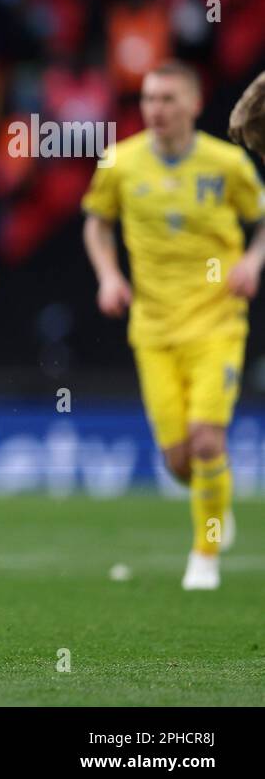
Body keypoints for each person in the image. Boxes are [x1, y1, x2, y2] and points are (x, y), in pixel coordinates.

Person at [82, 60, 265, 590]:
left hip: (217, 323)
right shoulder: (121, 163)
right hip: (154, 328)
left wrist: (252, 263)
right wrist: (109, 277)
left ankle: (204, 556)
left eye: (166, 99)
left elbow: (260, 221)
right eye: (148, 99)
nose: (155, 110)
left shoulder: (227, 164)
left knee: (208, 440)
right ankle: (216, 504)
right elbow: (97, 224)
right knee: (179, 461)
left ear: (192, 104)